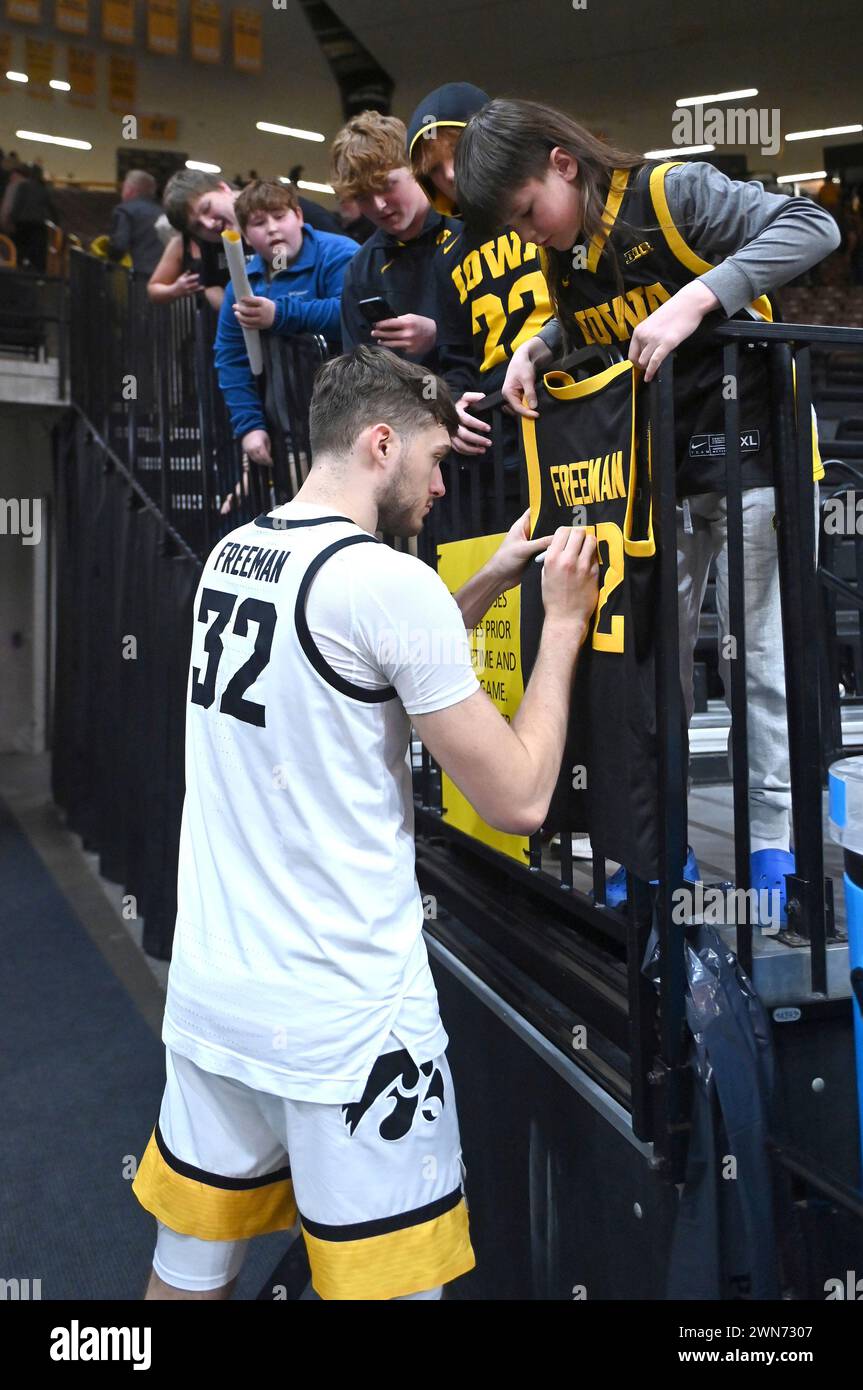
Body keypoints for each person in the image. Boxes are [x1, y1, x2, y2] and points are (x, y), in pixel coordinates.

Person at [131, 344, 598, 1300]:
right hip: (347, 1030)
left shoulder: (236, 553)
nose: (437, 488)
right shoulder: (389, 583)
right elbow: (519, 797)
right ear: (381, 444)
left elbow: (351, 668)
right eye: (432, 462)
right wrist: (559, 626)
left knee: (186, 1279)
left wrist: (481, 588)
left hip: (217, 1006)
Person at [454, 98, 841, 917]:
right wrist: (537, 345)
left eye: (528, 213)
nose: (529, 235)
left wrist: (700, 297)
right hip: (649, 476)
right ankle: (655, 843)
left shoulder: (674, 193)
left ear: (563, 163)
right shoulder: (566, 250)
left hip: (754, 457)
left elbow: (813, 226)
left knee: (758, 666)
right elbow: (591, 321)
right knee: (648, 662)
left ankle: (772, 846)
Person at [407, 82, 553, 523]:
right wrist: (449, 407)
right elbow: (455, 355)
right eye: (436, 168)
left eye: (459, 154)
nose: (450, 175)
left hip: (569, 402)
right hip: (497, 431)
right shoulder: (447, 255)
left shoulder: (547, 209)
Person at [213, 178, 358, 466]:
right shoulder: (243, 285)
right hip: (288, 430)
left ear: (299, 216)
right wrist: (250, 426)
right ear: (244, 235)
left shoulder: (340, 252)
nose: (272, 228)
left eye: (280, 216)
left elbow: (352, 315)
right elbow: (231, 357)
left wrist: (279, 315)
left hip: (354, 423)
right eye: (258, 222)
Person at [330, 111, 474, 399]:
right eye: (362, 197)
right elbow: (360, 372)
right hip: (410, 421)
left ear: (415, 168)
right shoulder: (362, 268)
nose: (379, 205)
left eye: (386, 185)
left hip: (487, 402)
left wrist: (438, 334)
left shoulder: (470, 229)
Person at [157, 169, 343, 313]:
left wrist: (280, 315)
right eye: (197, 226)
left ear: (223, 188)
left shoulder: (288, 209)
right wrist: (241, 318)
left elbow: (349, 270)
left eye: (206, 208)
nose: (209, 224)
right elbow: (211, 284)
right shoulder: (212, 240)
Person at [106, 170, 165, 277]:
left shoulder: (124, 210)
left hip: (137, 275)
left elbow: (119, 245)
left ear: (129, 190)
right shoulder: (163, 212)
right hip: (165, 273)